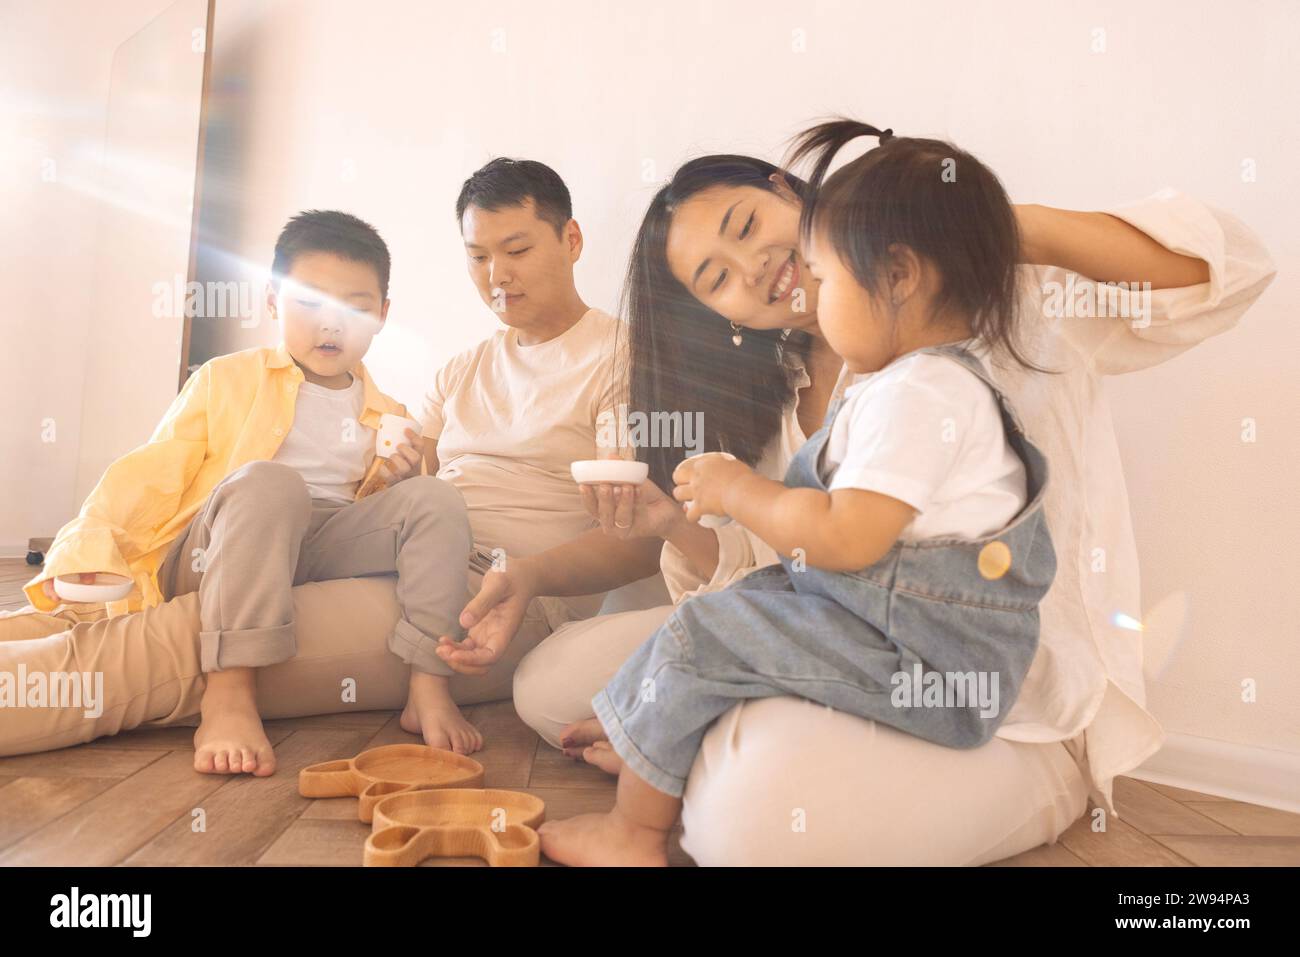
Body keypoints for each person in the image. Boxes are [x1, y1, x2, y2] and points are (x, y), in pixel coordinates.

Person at [506, 131, 1275, 864]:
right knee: (552, 682)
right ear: (719, 317)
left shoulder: (993, 303)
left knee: (745, 824)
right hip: (850, 636)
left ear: (789, 191)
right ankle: (680, 735)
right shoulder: (784, 394)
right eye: (716, 279)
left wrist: (972, 227)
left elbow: (1232, 269)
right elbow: (777, 574)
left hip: (999, 698)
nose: (755, 268)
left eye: (748, 226)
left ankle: (676, 755)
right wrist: (678, 523)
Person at [21, 210, 474, 774]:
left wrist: (404, 482)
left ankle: (429, 686)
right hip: (219, 546)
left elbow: (379, 517)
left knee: (436, 498)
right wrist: (86, 551)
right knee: (270, 482)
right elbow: (147, 474)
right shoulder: (225, 379)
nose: (331, 326)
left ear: (383, 315)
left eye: (355, 309)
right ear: (272, 300)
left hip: (315, 547)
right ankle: (230, 691)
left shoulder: (391, 415)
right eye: (310, 302)